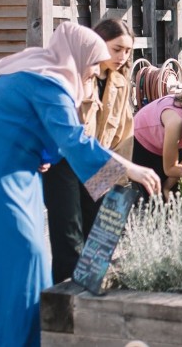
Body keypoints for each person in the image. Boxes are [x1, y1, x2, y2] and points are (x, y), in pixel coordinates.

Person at [0, 22, 160, 347]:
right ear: (77, 58)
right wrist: (130, 171)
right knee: (21, 258)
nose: (92, 78)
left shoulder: (26, 66)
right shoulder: (50, 81)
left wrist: (39, 152)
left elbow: (19, 123)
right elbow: (75, 139)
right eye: (92, 70)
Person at [43, 18, 135, 284]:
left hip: (99, 164)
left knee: (100, 238)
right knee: (69, 240)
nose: (122, 56)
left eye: (128, 51)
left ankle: (90, 298)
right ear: (98, 42)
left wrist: (119, 180)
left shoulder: (120, 82)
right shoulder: (78, 75)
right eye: (117, 49)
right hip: (65, 163)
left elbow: (123, 135)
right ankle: (63, 307)